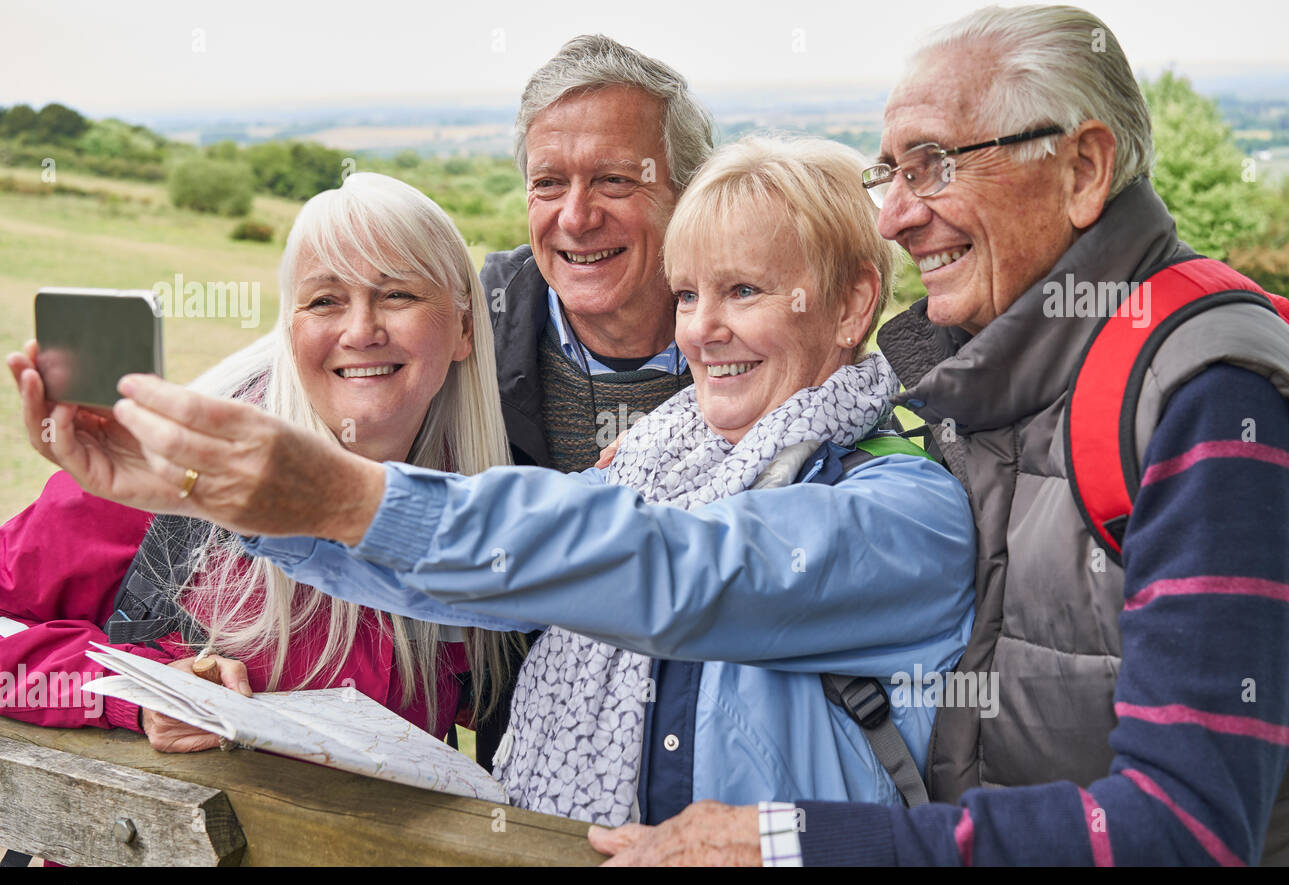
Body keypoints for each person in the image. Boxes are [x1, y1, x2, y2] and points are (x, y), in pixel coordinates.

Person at [10, 135, 977, 831]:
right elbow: (504, 569)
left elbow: (675, 574)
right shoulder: (654, 465)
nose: (702, 330)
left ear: (853, 303)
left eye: (746, 291)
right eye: (688, 294)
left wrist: (338, 500)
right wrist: (212, 498)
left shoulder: (903, 510)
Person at [588, 4, 1289, 866]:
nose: (892, 217)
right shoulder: (1000, 377)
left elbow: (1185, 839)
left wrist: (791, 843)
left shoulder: (1209, 397)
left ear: (1081, 168)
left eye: (930, 166)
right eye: (886, 173)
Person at [0, 171, 518, 758]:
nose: (361, 330)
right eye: (325, 300)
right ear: (290, 329)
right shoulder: (168, 468)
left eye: (397, 294)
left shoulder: (478, 511)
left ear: (464, 329)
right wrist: (143, 692)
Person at [483, 34, 714, 474]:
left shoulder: (766, 332)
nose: (574, 219)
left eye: (613, 180)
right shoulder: (468, 336)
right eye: (548, 183)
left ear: (689, 193)